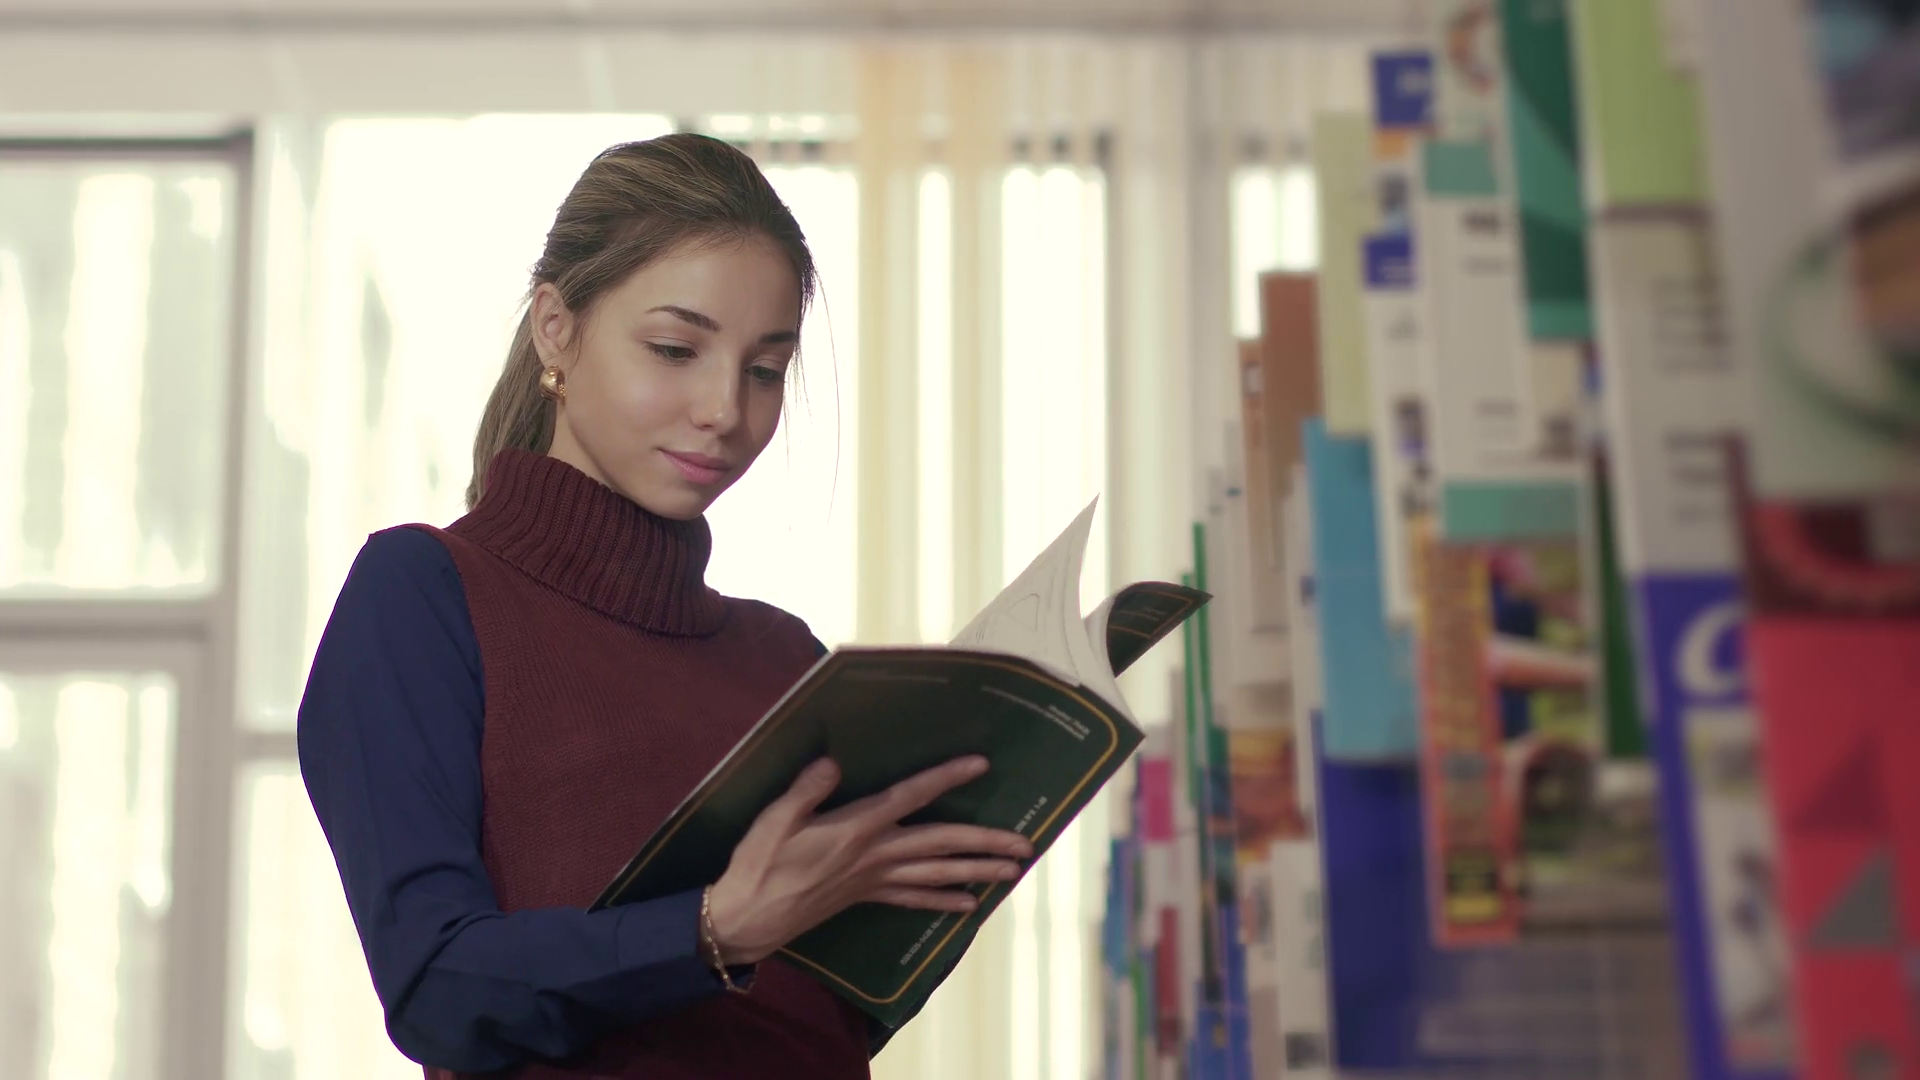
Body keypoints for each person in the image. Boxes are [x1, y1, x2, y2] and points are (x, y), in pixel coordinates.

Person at [296, 133, 1033, 1080]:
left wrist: (942, 861)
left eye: (766, 370)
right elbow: (439, 989)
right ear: (556, 328)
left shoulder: (788, 662)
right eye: (677, 349)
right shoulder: (422, 597)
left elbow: (814, 1026)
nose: (725, 409)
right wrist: (716, 931)